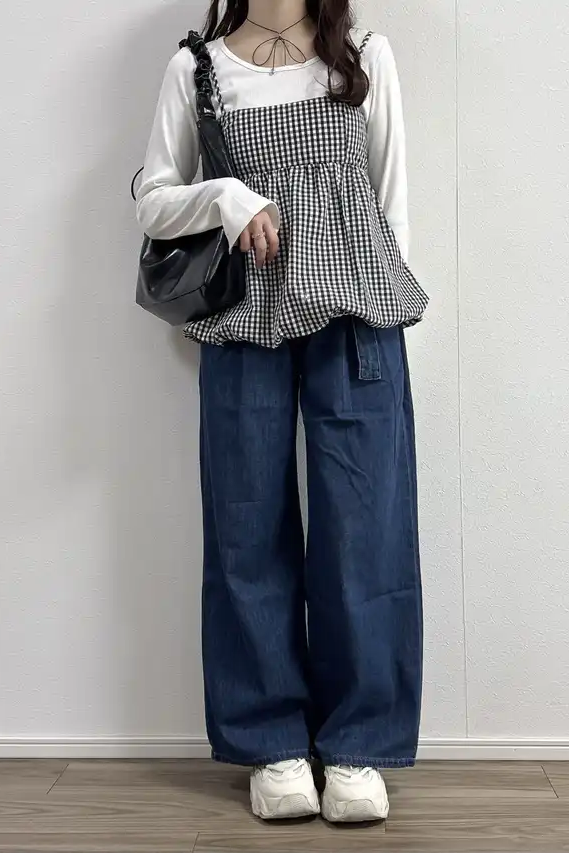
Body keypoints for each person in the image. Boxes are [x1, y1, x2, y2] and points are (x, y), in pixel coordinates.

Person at [136, 0, 428, 823]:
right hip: (242, 318)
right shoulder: (197, 69)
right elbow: (153, 200)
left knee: (365, 532)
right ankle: (273, 743)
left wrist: (386, 309)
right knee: (245, 530)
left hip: (356, 316)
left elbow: (392, 203)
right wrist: (226, 196)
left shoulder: (363, 56)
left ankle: (360, 744)